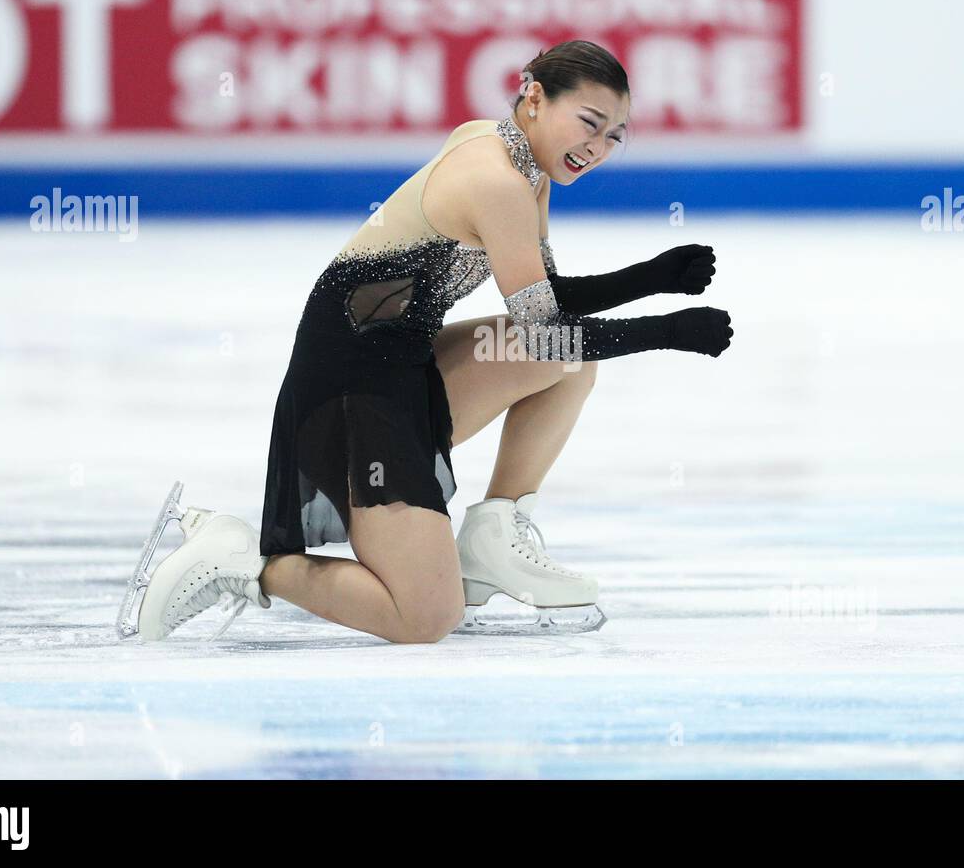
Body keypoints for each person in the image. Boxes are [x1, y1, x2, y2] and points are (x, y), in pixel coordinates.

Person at [129, 40, 732, 644]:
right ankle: (245, 561)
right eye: (590, 125)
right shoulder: (495, 181)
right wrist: (670, 332)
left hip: (405, 362)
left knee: (572, 368)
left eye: (615, 137)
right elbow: (547, 334)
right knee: (425, 619)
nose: (597, 150)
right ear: (535, 96)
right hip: (351, 390)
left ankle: (494, 534)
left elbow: (541, 303)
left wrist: (653, 277)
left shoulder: (519, 161)